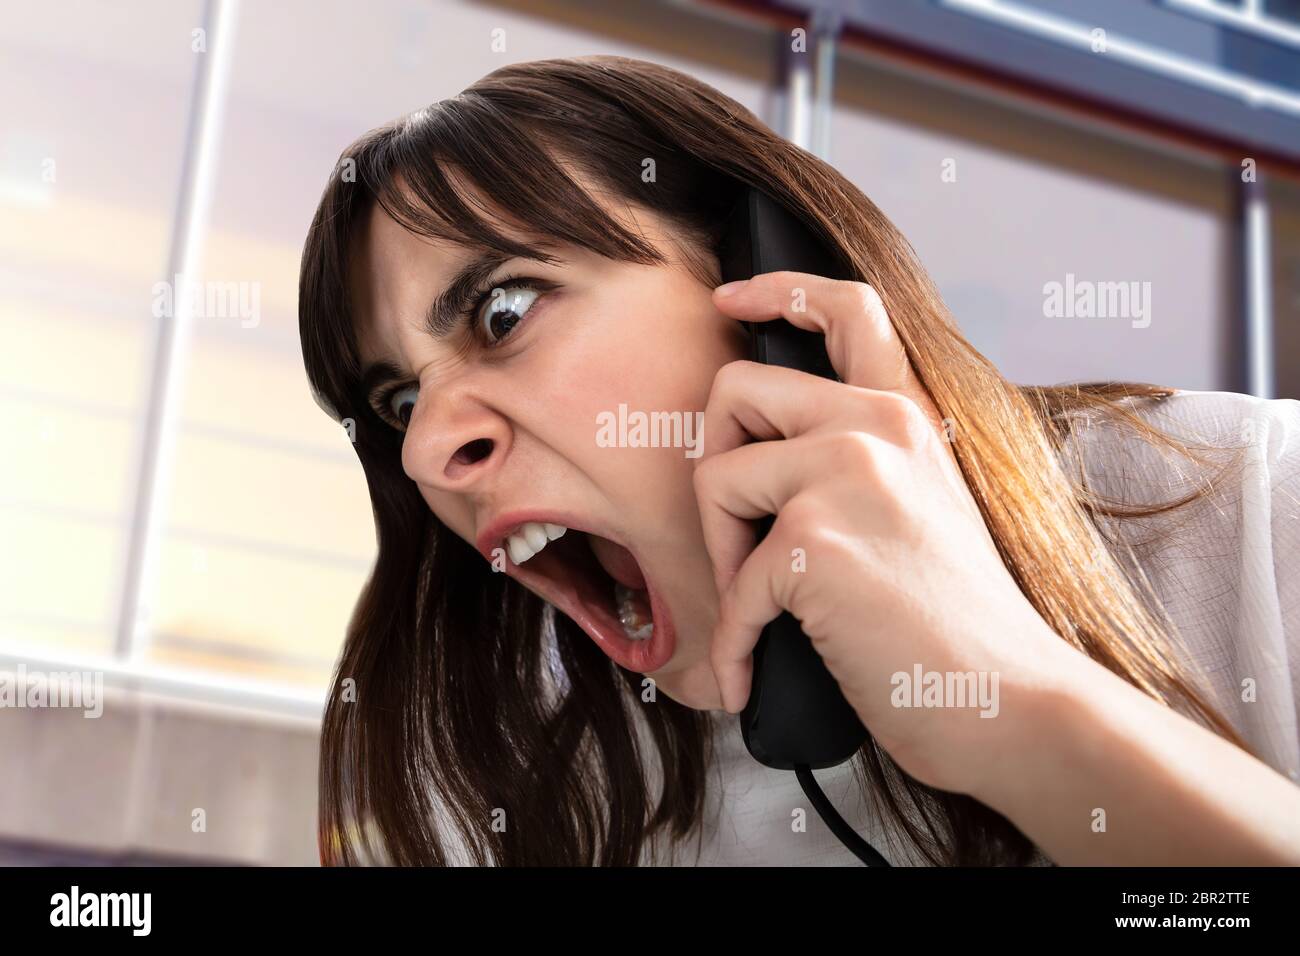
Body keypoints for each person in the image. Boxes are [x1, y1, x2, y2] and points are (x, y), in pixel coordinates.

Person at [297, 55, 1300, 866]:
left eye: (503, 312)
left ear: (772, 282)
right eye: (398, 399)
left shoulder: (1251, 497)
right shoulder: (531, 791)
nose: (427, 450)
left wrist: (1008, 693)